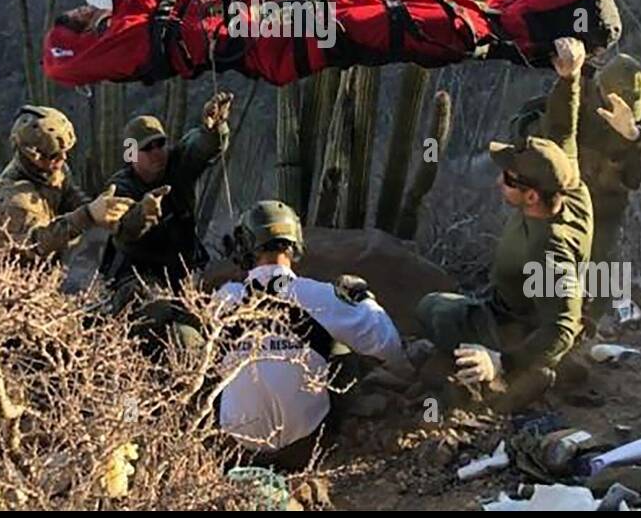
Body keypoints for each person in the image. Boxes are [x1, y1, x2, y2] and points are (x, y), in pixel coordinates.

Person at [42, 0, 621, 88]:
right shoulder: (473, 24)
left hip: (294, 26)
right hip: (296, 24)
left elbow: (67, 61)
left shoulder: (469, 25)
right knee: (217, 19)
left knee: (215, 24)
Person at [415, 36, 594, 413]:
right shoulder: (568, 183)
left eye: (510, 179)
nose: (500, 181)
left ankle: (519, 376)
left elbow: (561, 325)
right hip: (525, 300)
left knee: (432, 310)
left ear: (531, 196)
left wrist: (502, 362)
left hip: (516, 323)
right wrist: (569, 79)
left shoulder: (548, 249)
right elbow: (563, 131)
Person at [214, 201, 409, 468]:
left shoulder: (224, 299)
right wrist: (361, 297)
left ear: (246, 246)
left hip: (236, 451)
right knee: (339, 346)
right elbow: (388, 345)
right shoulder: (321, 296)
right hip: (305, 450)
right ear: (295, 244)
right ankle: (338, 447)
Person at [512, 51, 641, 313]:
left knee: (604, 280)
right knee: (545, 275)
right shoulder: (576, 95)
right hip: (561, 201)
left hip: (608, 204)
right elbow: (531, 132)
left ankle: (599, 333)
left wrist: (637, 134)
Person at [100, 91, 234, 297]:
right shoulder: (120, 186)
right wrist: (143, 213)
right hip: (138, 272)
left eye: (160, 143)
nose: (156, 152)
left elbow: (201, 147)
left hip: (185, 264)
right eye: (147, 147)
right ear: (132, 154)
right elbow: (124, 230)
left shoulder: (178, 163)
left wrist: (213, 128)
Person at [0, 105, 133, 261]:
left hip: (55, 263)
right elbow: (38, 243)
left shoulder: (53, 167)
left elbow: (70, 196)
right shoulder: (12, 194)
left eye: (65, 152)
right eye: (55, 155)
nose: (63, 159)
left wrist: (103, 208)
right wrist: (89, 214)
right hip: (19, 276)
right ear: (34, 155)